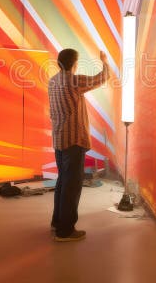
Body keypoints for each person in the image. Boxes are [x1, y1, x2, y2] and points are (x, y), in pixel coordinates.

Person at [48, 48, 108, 242]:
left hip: (59, 139)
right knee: (72, 186)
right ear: (74, 63)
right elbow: (101, 78)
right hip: (74, 141)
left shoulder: (53, 81)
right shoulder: (74, 81)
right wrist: (104, 61)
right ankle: (65, 231)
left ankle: (57, 222)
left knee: (63, 182)